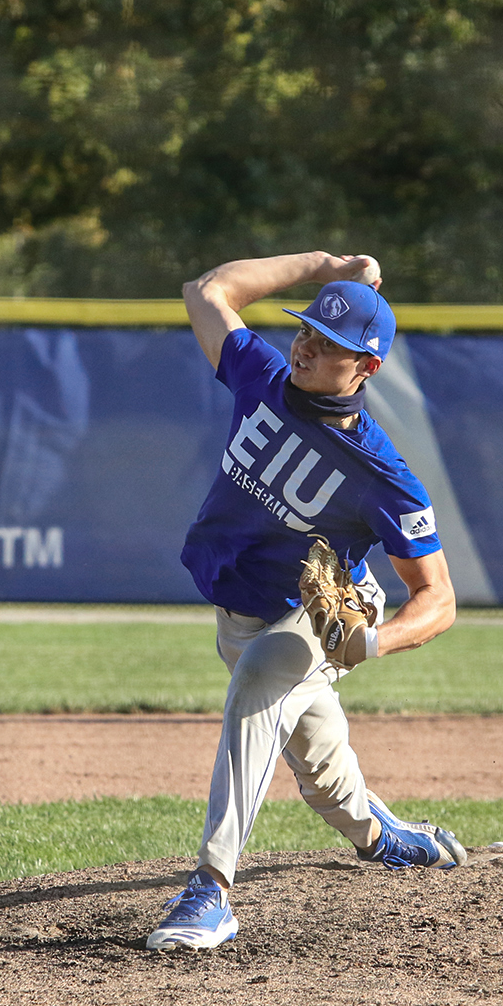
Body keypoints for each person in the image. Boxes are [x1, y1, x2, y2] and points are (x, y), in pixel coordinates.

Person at [147, 251, 468, 952]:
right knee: (321, 775)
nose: (306, 347)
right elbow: (206, 290)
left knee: (262, 675)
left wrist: (371, 642)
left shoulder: (381, 474)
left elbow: (439, 597)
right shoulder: (261, 376)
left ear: (367, 368)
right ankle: (384, 837)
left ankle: (212, 888)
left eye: (329, 344)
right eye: (306, 331)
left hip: (329, 615)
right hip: (243, 614)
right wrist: (326, 264)